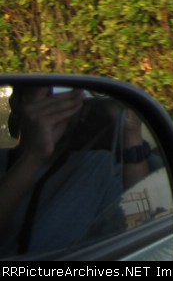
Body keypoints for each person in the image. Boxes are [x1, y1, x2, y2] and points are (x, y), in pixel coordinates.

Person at [0, 86, 153, 256]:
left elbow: (141, 225)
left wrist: (130, 132)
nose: (56, 104)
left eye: (68, 96)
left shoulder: (100, 168)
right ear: (16, 102)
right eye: (48, 92)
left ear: (83, 110)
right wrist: (33, 156)